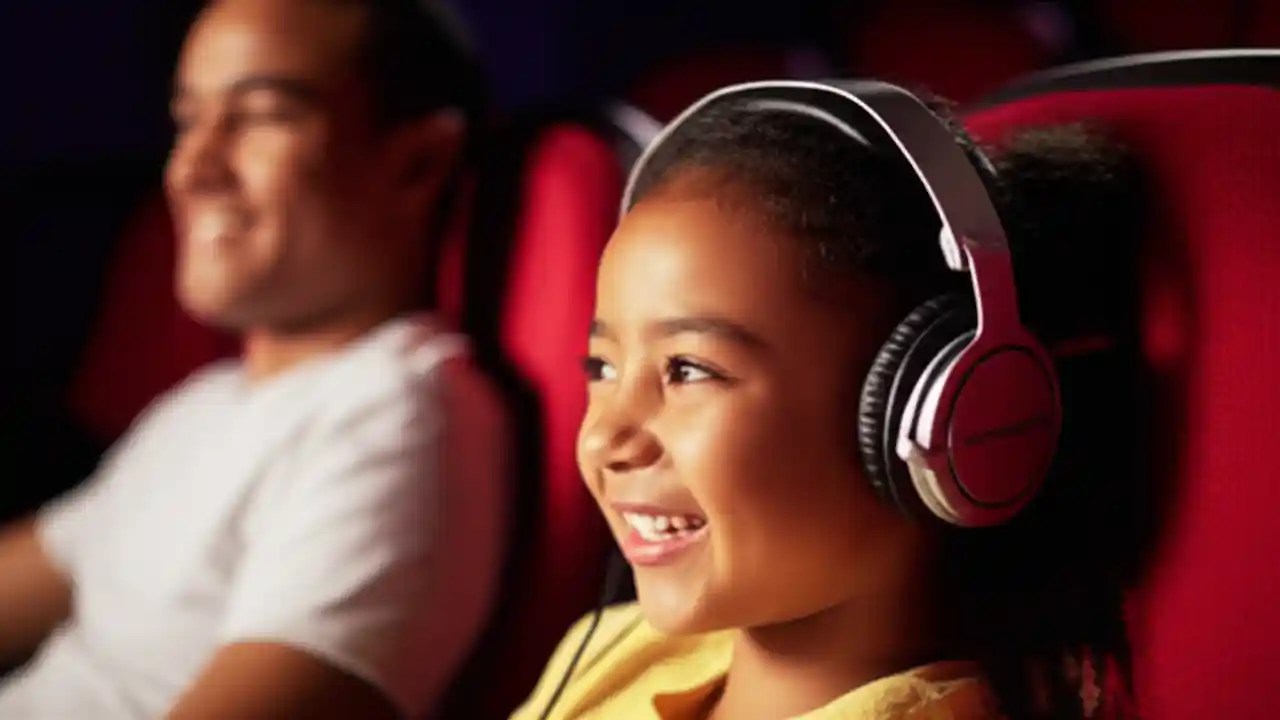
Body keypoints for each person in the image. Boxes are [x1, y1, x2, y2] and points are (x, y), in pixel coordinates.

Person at [512, 81, 1146, 720]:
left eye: (688, 370)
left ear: (944, 410)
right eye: (602, 365)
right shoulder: (624, 647)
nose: (602, 440)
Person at [0, 0, 508, 718]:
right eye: (187, 120)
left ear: (416, 162)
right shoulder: (204, 404)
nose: (191, 167)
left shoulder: (392, 419)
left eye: (263, 114)